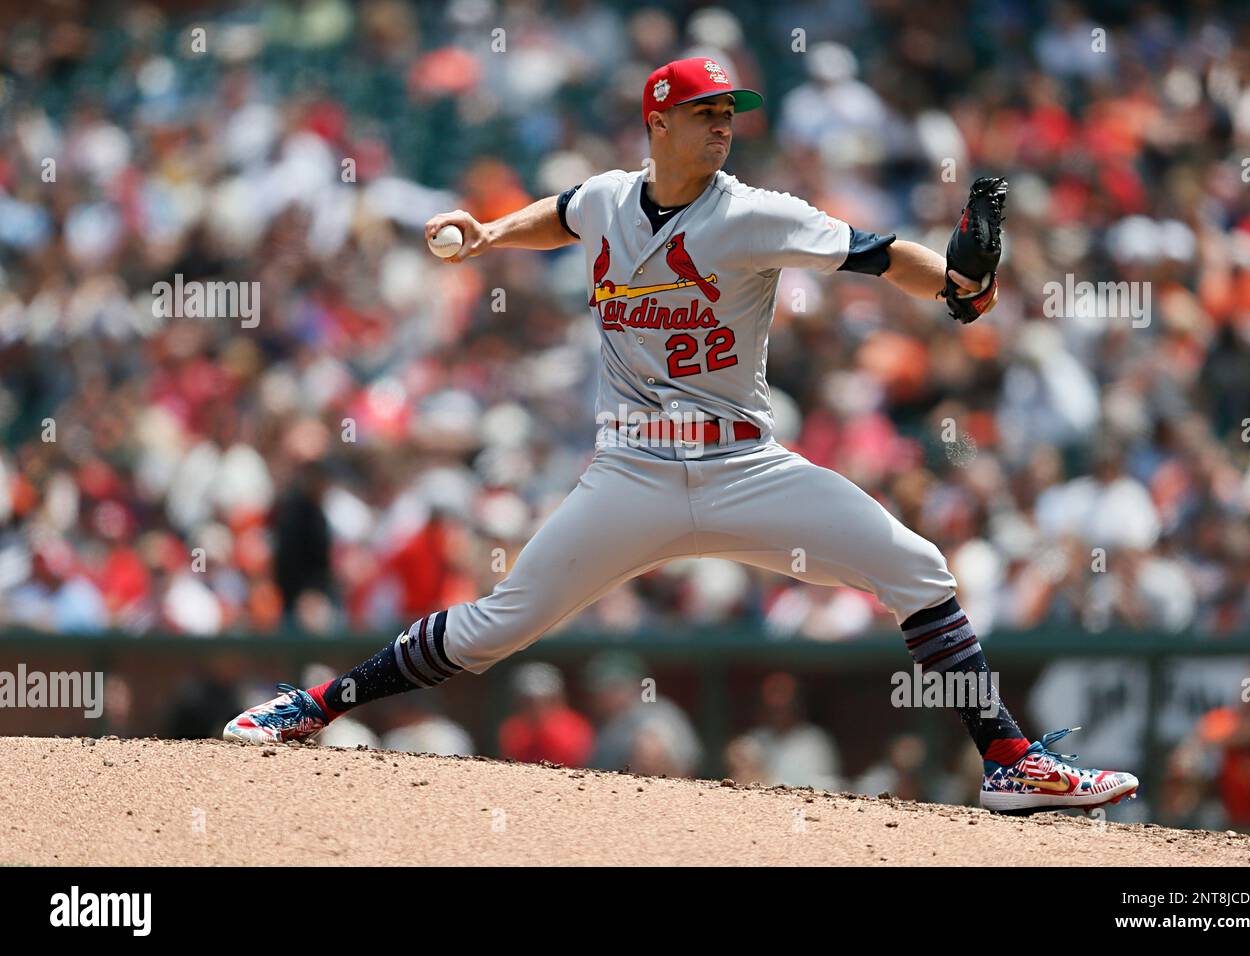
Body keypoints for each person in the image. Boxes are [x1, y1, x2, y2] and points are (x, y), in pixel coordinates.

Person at [224, 56, 1139, 814]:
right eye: (705, 112)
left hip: (745, 466)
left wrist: (954, 286)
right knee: (496, 626)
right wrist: (489, 232)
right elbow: (566, 210)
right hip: (631, 471)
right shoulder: (614, 199)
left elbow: (875, 250)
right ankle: (312, 705)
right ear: (658, 120)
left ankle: (1011, 761)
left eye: (729, 113)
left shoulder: (752, 212)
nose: (724, 126)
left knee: (917, 568)